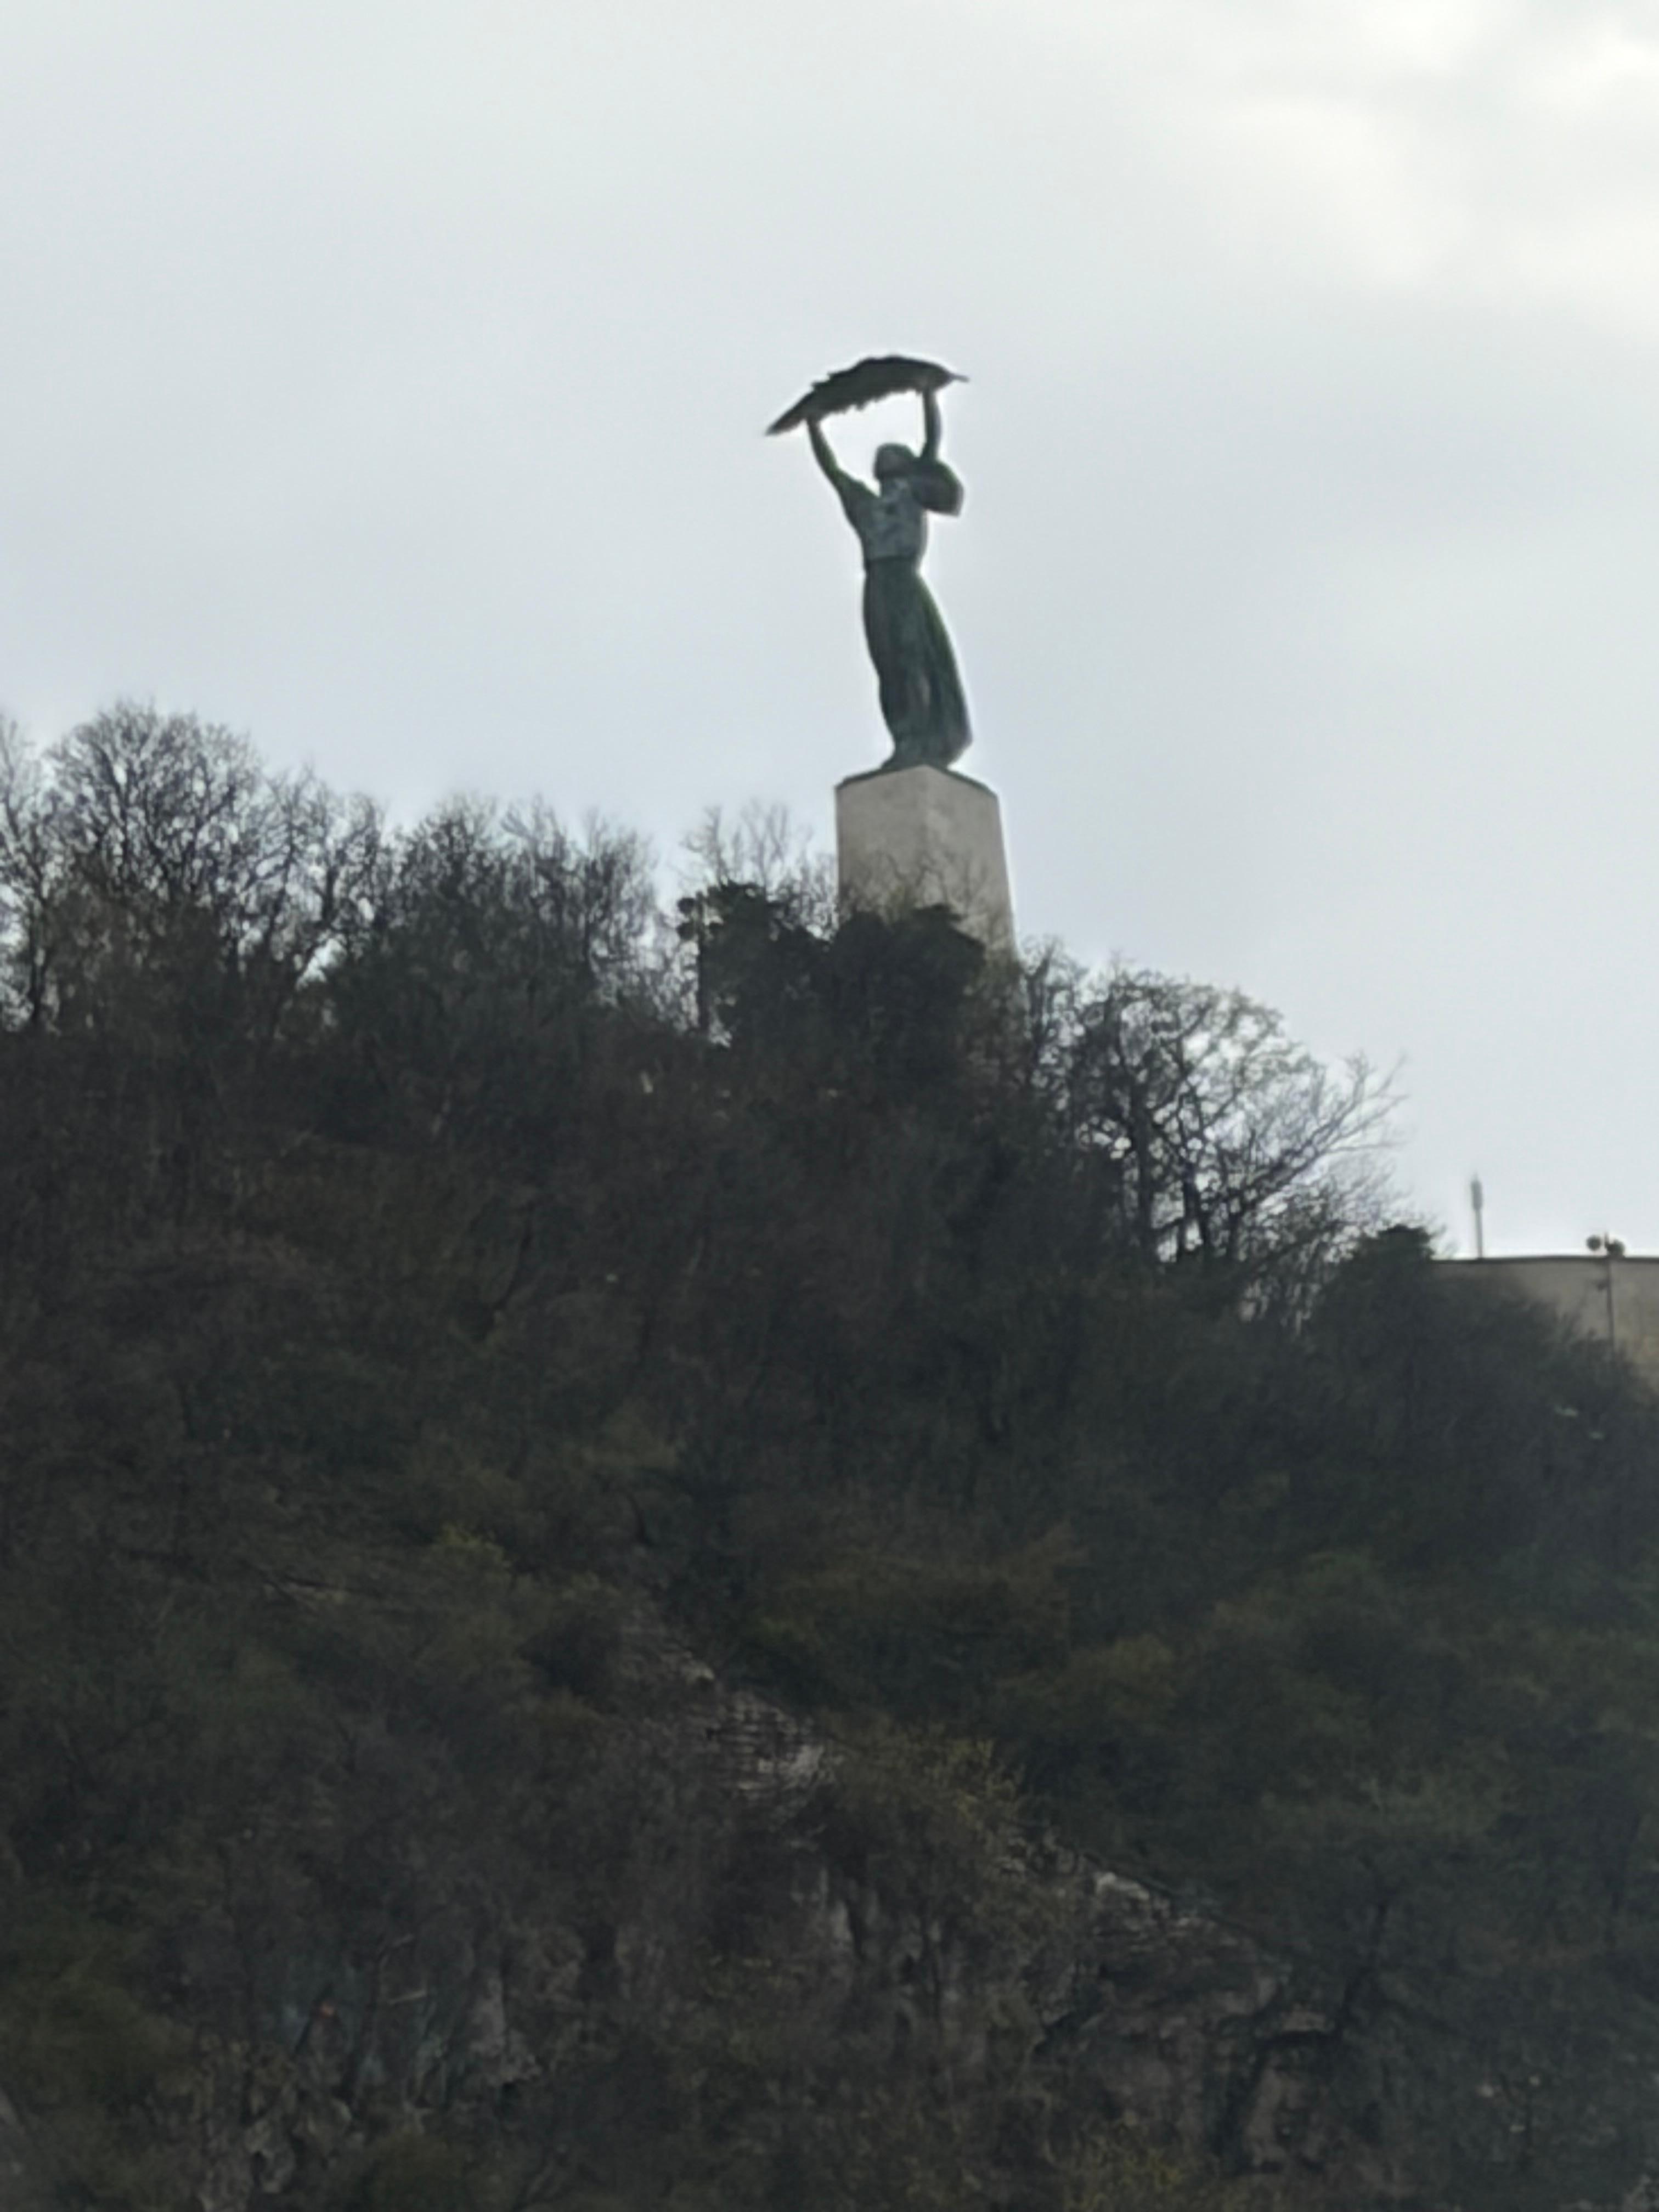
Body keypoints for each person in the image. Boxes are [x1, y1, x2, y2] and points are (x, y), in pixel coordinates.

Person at [806, 391, 971, 771]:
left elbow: (931, 446)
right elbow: (832, 471)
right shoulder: (863, 503)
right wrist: (814, 427)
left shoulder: (911, 493)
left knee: (913, 655)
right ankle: (904, 738)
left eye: (892, 452)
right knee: (889, 661)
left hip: (904, 580)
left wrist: (928, 397)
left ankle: (922, 736)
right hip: (877, 583)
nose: (883, 455)